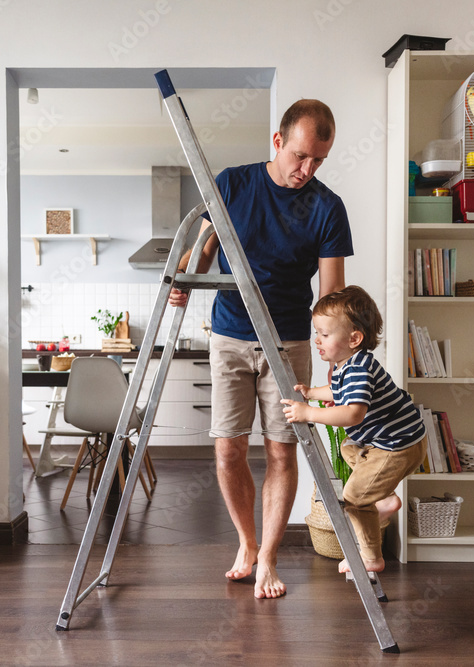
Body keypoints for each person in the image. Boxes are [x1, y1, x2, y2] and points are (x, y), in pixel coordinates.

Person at [169, 99, 352, 599]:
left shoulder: (327, 207)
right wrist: (185, 279)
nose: (306, 170)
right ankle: (247, 544)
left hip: (289, 342)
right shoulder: (232, 184)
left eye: (318, 161)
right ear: (278, 142)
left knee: (281, 451)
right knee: (228, 449)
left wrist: (335, 361)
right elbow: (203, 250)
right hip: (228, 334)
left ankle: (269, 558)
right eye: (299, 156)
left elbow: (332, 297)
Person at [280, 286, 426, 574]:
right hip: (391, 440)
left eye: (324, 334)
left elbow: (353, 413)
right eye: (316, 332)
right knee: (348, 446)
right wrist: (311, 392)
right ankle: (384, 497)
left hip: (398, 446)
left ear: (354, 338)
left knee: (355, 499)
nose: (316, 339)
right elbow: (336, 390)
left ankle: (371, 557)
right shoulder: (348, 365)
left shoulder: (360, 368)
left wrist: (310, 412)